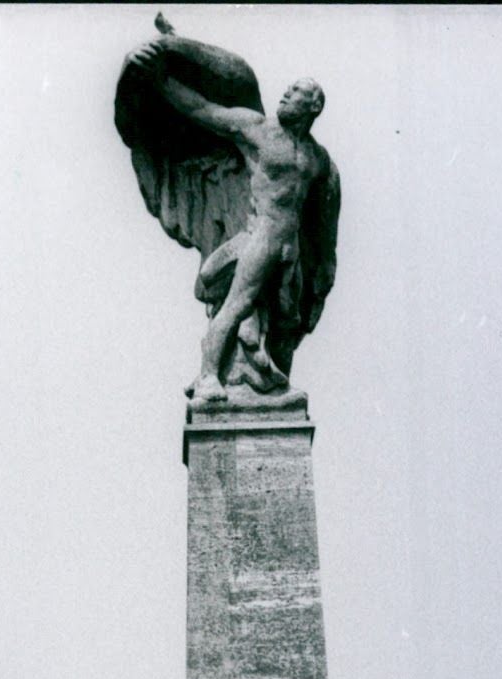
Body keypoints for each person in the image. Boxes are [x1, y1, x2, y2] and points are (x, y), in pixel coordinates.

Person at [120, 22, 339, 398]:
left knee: (287, 320)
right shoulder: (257, 130)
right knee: (236, 308)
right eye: (285, 91)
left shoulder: (320, 161)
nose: (284, 96)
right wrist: (160, 79)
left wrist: (325, 268)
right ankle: (207, 376)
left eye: (295, 93)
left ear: (313, 106)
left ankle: (276, 387)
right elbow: (202, 110)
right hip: (260, 238)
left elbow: (325, 221)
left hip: (291, 250)